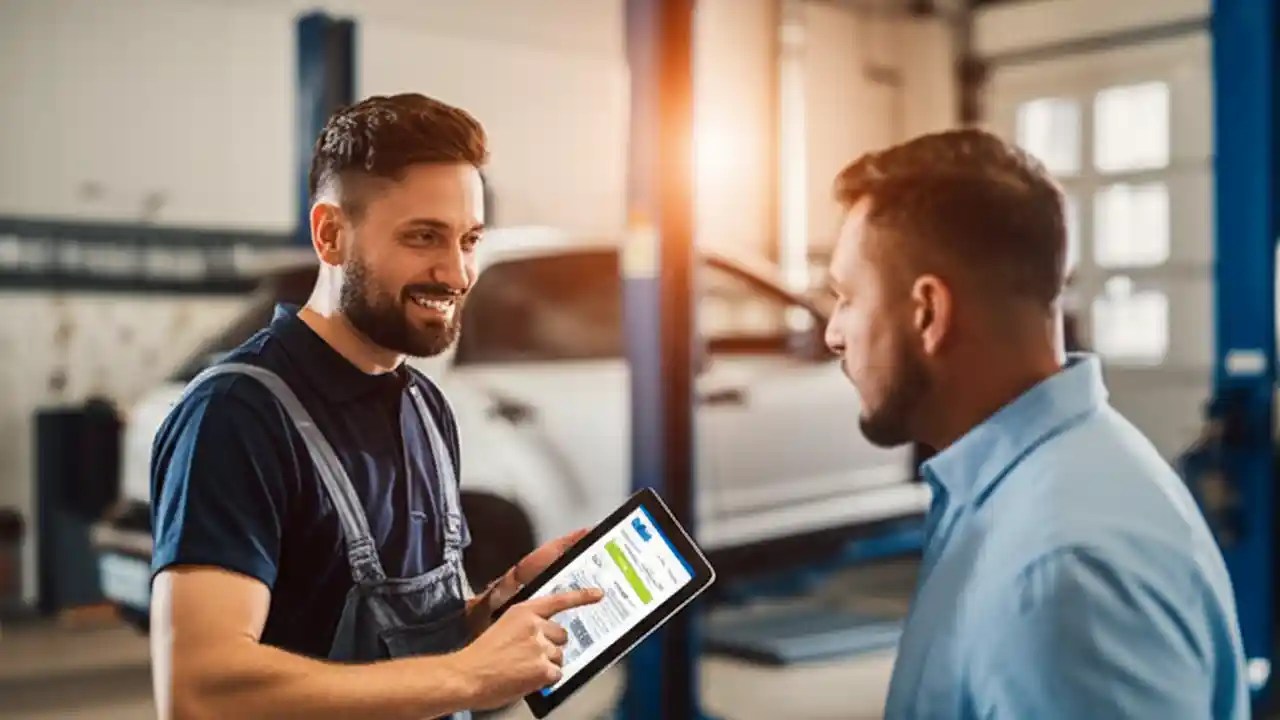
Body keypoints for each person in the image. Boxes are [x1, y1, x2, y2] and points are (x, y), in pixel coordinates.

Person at [148, 93, 602, 720]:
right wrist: (468, 677)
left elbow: (414, 647)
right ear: (330, 234)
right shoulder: (236, 416)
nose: (457, 273)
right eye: (424, 237)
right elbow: (200, 690)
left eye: (469, 240)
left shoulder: (425, 408)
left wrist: (497, 608)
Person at [823, 128, 1248, 719]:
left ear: (928, 313)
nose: (833, 333)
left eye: (846, 297)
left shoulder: (1060, 576)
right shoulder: (1032, 484)